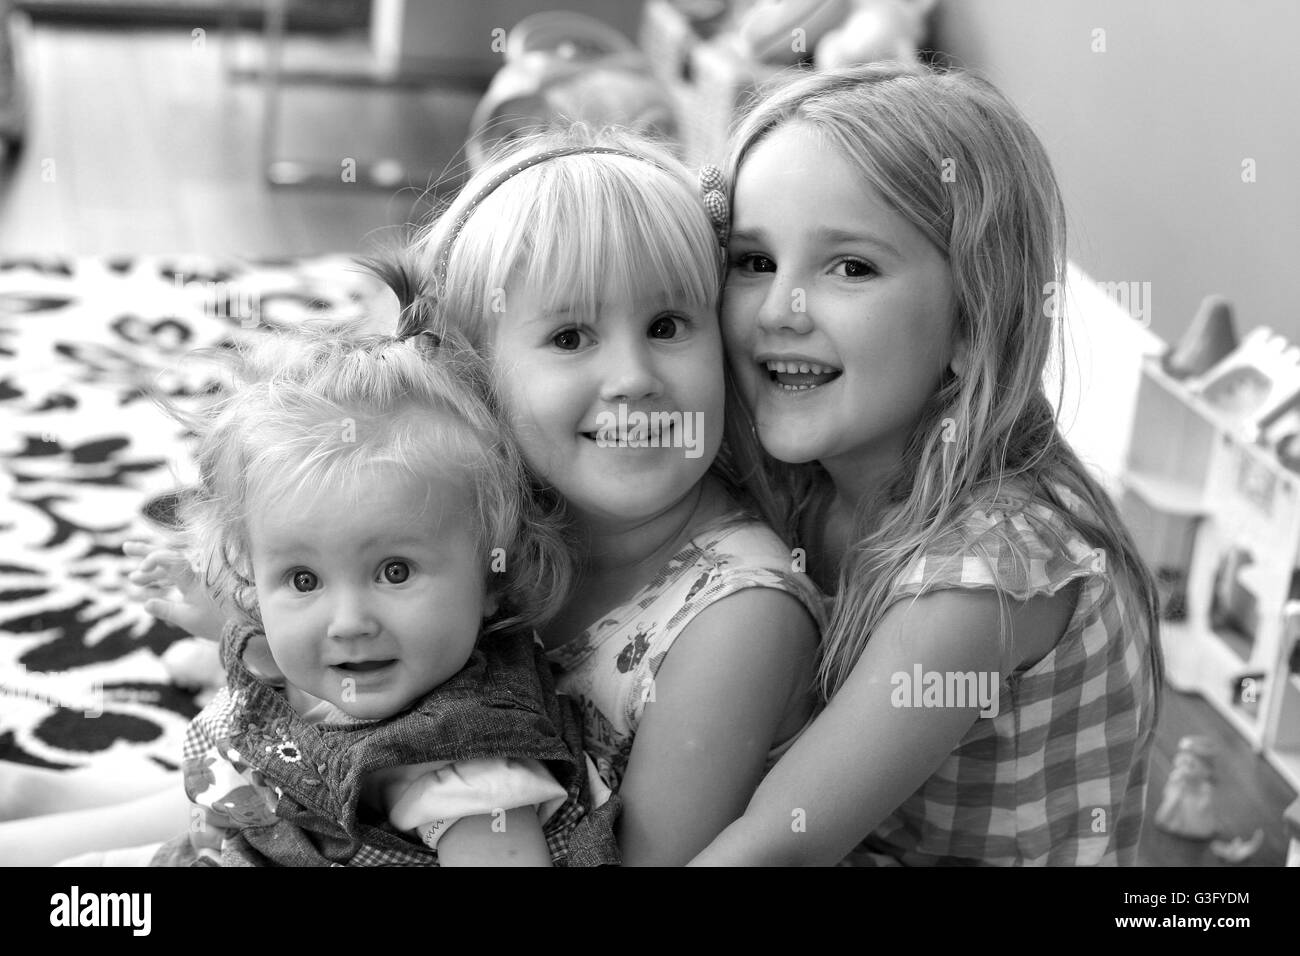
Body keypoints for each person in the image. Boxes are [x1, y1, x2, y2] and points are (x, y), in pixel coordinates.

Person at [691, 62, 1163, 866]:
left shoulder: (985, 574)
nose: (780, 311)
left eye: (851, 268)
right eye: (755, 261)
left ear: (971, 321)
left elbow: (774, 851)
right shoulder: (807, 482)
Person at [406, 128, 823, 864]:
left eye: (667, 326)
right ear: (472, 374)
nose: (633, 376)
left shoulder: (737, 618)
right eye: (570, 337)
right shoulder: (484, 532)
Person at [107, 283, 615, 866]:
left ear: (494, 577)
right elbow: (276, 655)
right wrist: (218, 615)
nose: (348, 623)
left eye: (394, 572)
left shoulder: (466, 767)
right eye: (302, 580)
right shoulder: (360, 662)